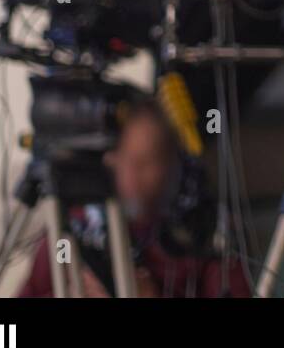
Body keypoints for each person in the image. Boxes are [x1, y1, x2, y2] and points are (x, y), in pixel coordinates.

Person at [18, 98, 248, 297]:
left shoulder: (202, 232)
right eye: (126, 161)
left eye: (146, 163)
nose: (134, 177)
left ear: (173, 161)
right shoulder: (73, 230)